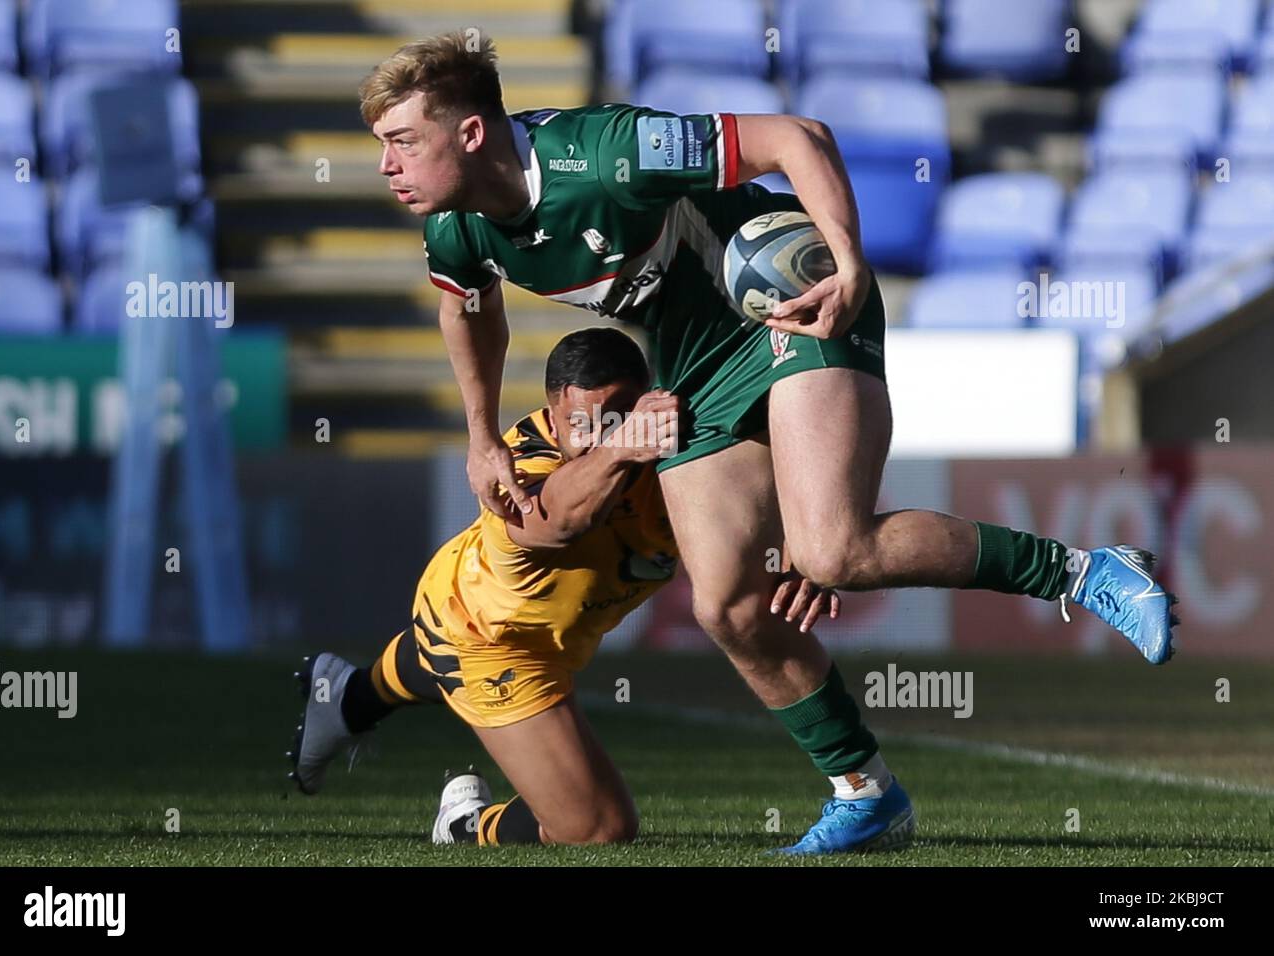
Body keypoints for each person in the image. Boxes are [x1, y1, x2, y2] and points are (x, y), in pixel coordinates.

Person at [356, 32, 1177, 854]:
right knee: (732, 606)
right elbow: (467, 309)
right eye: (382, 146)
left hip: (789, 302)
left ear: (469, 134)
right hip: (692, 364)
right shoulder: (458, 226)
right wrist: (481, 438)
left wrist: (850, 264)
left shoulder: (602, 156)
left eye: (402, 142)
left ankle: (1089, 571)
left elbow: (797, 138)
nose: (387, 165)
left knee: (836, 549)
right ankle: (867, 794)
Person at [287, 327, 843, 847]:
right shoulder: (526, 456)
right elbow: (554, 524)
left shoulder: (677, 442)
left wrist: (803, 547)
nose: (593, 435)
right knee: (599, 828)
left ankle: (349, 696)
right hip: (489, 639)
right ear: (553, 408)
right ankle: (465, 823)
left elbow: (770, 455)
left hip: (521, 618)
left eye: (617, 416)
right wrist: (623, 445)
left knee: (433, 658)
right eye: (581, 422)